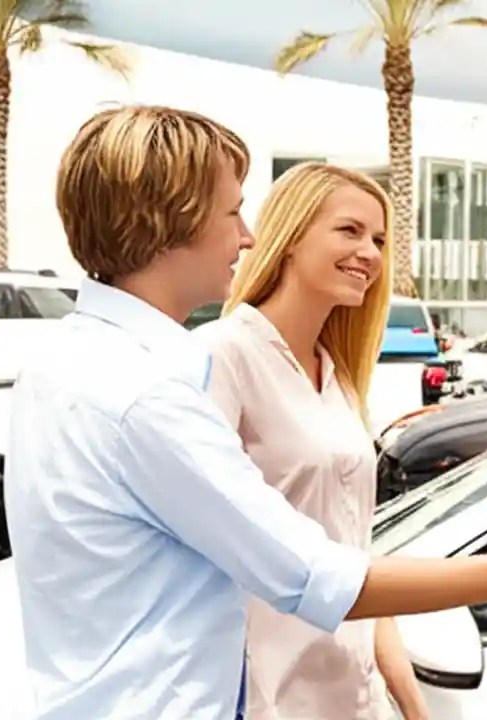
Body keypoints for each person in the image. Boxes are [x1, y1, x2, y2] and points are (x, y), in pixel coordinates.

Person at [2, 105, 487, 720]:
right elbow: (314, 575)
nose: (246, 235)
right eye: (231, 212)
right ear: (167, 218)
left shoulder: (66, 366)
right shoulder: (152, 394)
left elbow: (341, 550)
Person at [191, 162, 421, 719]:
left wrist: (411, 705)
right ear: (290, 237)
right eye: (350, 231)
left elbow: (356, 559)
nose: (370, 252)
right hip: (266, 699)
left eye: (379, 240)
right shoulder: (222, 355)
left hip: (354, 699)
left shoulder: (337, 375)